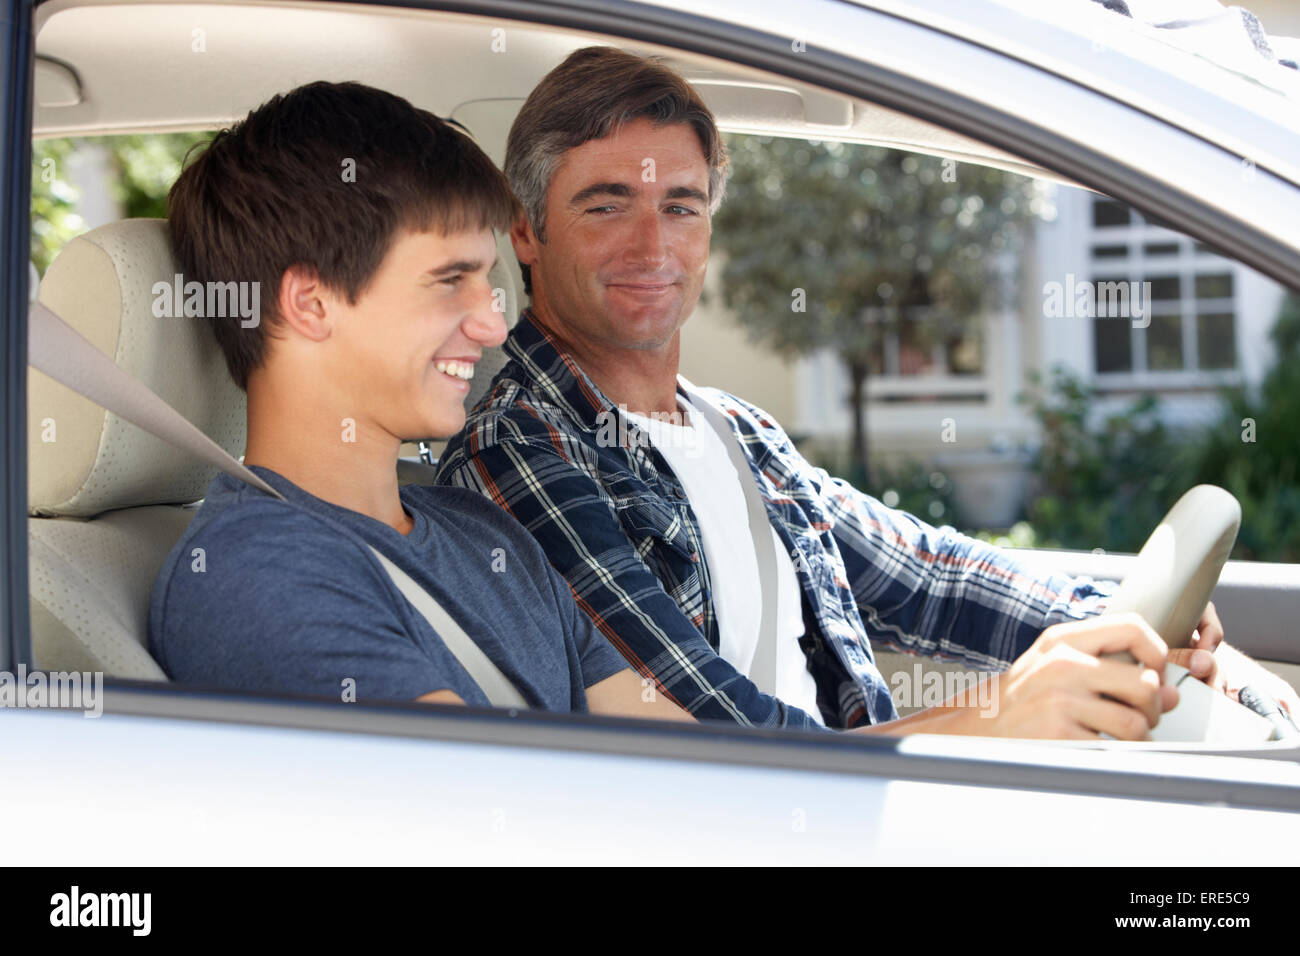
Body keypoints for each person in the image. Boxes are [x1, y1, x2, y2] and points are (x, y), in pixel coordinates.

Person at [434, 46, 1294, 739]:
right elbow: (718, 748)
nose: (651, 245)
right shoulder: (518, 450)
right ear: (527, 229)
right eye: (607, 204)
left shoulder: (736, 429)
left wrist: (1129, 622)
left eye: (683, 206)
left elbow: (931, 578)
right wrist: (1001, 717)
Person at [148, 80, 694, 723]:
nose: (494, 326)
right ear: (311, 303)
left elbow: (683, 753)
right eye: (449, 280)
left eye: (485, 280)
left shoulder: (483, 531)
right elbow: (493, 809)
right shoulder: (256, 574)